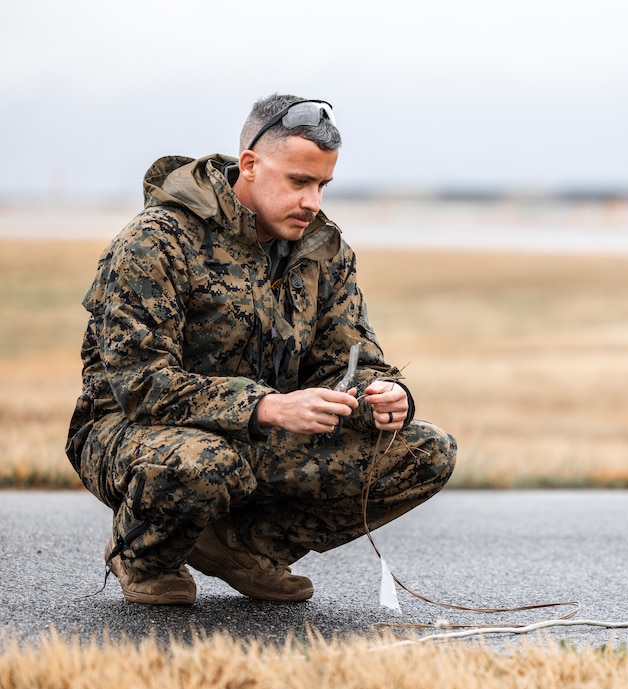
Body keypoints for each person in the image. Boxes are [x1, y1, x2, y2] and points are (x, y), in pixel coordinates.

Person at [65, 93, 457, 606]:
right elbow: (141, 384)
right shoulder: (157, 240)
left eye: (322, 185)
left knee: (425, 451)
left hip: (263, 431)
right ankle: (146, 557)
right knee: (203, 464)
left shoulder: (321, 251)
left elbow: (349, 359)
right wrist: (267, 405)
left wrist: (386, 396)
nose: (313, 202)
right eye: (299, 182)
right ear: (249, 165)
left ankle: (243, 548)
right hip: (134, 431)